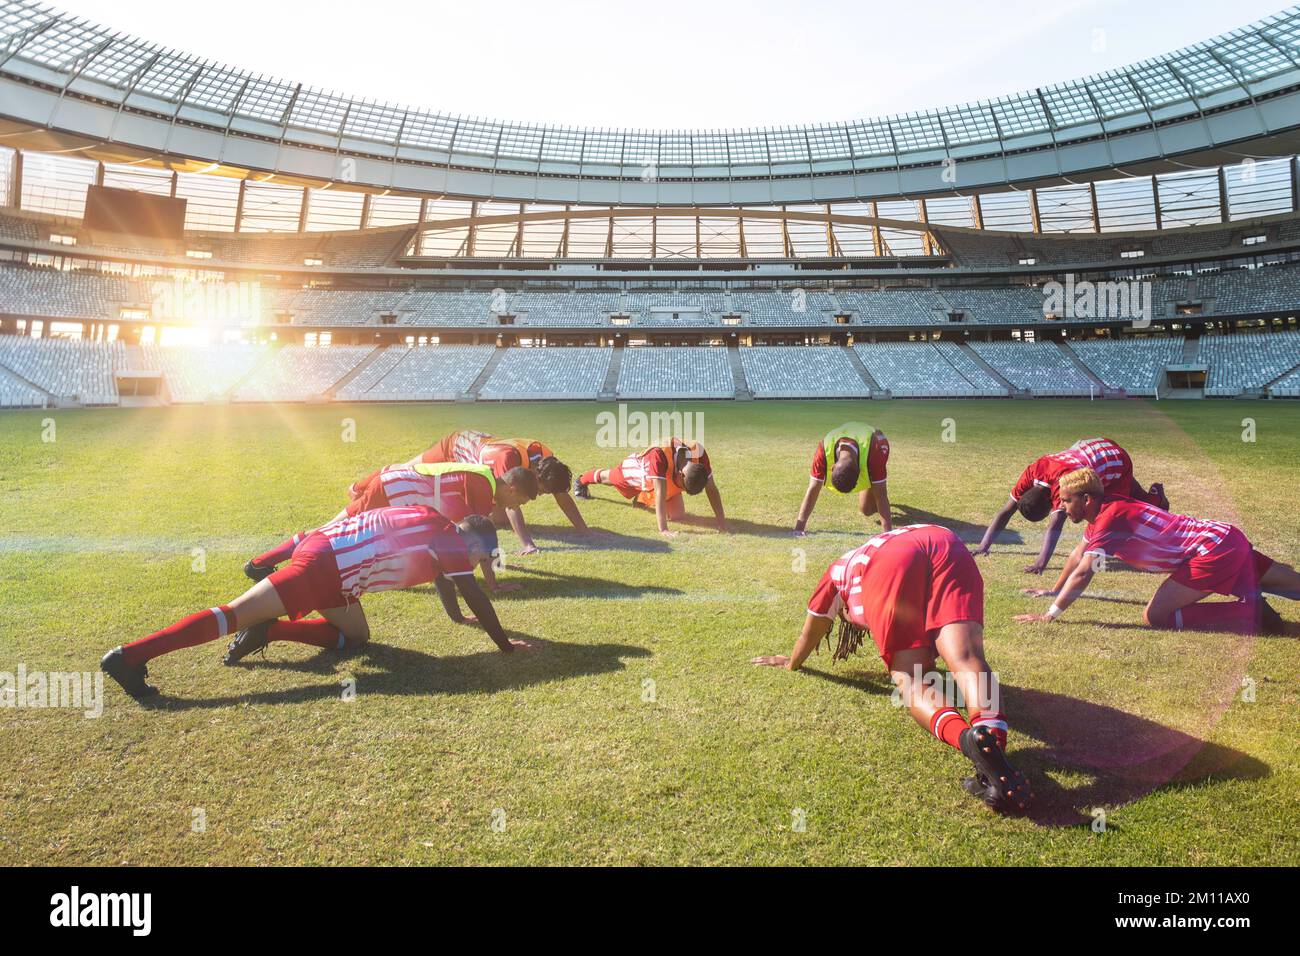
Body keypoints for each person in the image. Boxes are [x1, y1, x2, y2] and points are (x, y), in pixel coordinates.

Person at [100, 511, 533, 701]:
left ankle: (271, 630)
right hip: (325, 568)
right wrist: (507, 647)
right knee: (231, 615)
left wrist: (458, 617)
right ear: (474, 543)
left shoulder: (434, 522)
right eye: (481, 559)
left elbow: (450, 586)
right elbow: (471, 591)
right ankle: (130, 656)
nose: (477, 568)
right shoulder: (455, 544)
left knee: (357, 637)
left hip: (331, 563)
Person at [752, 524, 1032, 814]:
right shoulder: (868, 549)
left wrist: (791, 663)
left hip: (891, 562)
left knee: (912, 678)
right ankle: (995, 760)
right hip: (947, 541)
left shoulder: (836, 572)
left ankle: (968, 742)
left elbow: (810, 632)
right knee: (967, 658)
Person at [1015, 468, 1296, 635]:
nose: (1062, 507)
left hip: (1210, 552)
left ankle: (1248, 611)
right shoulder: (1107, 510)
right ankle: (1255, 607)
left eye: (1065, 501)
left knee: (1156, 617)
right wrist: (1053, 588)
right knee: (1293, 584)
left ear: (1086, 499)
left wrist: (1050, 615)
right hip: (1224, 536)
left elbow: (1086, 570)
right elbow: (1078, 555)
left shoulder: (1110, 518)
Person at [245, 462, 538, 591]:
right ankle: (260, 564)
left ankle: (260, 563)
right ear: (511, 488)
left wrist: (363, 484)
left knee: (330, 529)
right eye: (520, 501)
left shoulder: (481, 475)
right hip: (392, 491)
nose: (516, 508)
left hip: (391, 482)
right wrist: (494, 585)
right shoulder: (482, 488)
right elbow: (479, 539)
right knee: (328, 533)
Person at [975, 437, 1167, 574]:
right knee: (1133, 495)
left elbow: (1055, 526)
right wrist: (984, 546)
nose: (1059, 510)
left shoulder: (1063, 485)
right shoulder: (1032, 472)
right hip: (1093, 445)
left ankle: (1158, 505)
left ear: (1049, 501)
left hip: (1115, 460)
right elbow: (1007, 510)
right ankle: (1156, 496)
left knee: (1118, 510)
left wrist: (1040, 563)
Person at [391, 429, 585, 554]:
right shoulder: (508, 460)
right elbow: (512, 504)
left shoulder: (547, 461)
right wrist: (527, 544)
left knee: (497, 519)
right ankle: (362, 488)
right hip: (454, 446)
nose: (539, 496)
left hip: (477, 458)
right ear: (536, 476)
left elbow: (562, 495)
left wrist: (583, 530)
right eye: (542, 491)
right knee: (402, 470)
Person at [573, 438, 726, 535]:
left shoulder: (698, 453)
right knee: (610, 477)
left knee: (678, 516)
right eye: (684, 487)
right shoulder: (659, 455)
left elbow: (711, 488)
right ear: (681, 474)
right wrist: (664, 530)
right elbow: (660, 492)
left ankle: (642, 498)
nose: (683, 491)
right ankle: (581, 481)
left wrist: (721, 521)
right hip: (637, 472)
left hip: (662, 480)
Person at [793, 422, 891, 536]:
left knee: (867, 509)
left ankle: (871, 488)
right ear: (832, 467)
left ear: (862, 472)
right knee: (869, 507)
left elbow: (881, 494)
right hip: (859, 441)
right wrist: (799, 528)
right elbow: (813, 488)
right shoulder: (823, 449)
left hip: (877, 441)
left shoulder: (876, 451)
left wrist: (887, 534)